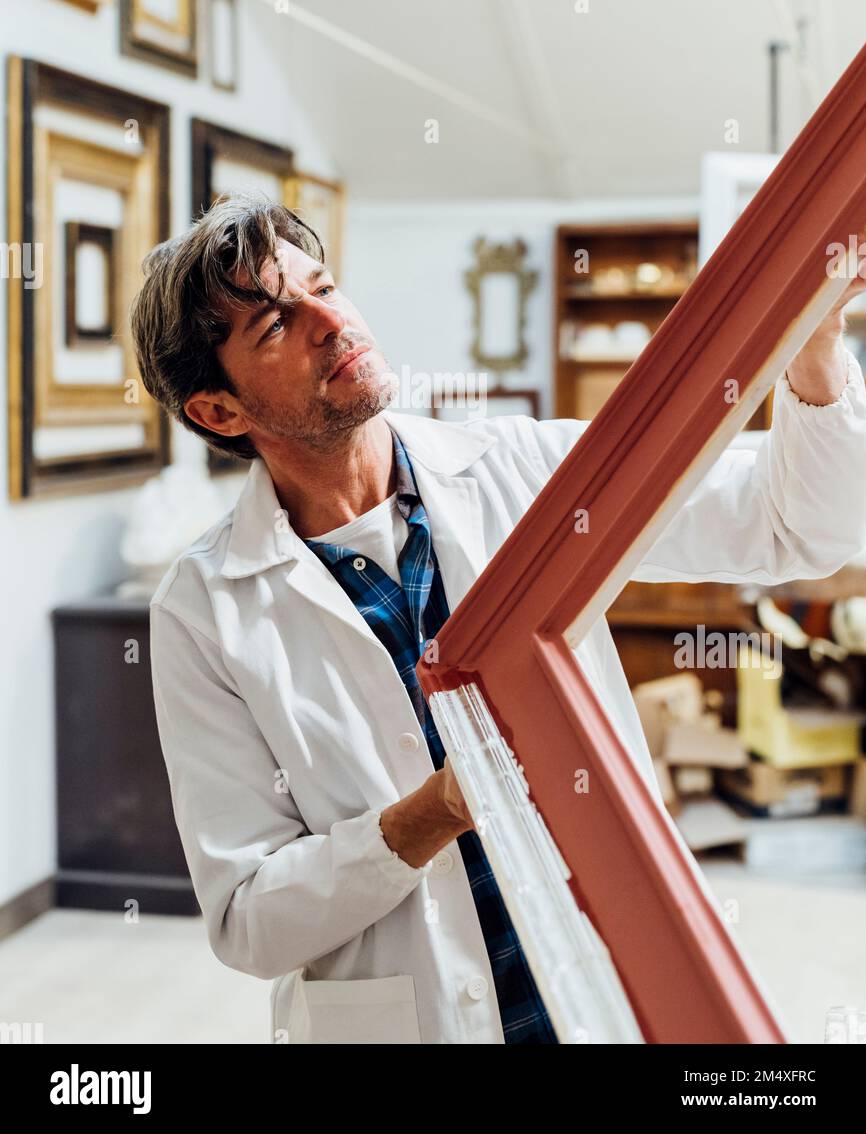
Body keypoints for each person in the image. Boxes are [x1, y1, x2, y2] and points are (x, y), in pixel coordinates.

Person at [130, 192, 866, 1045]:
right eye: (274, 327)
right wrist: (434, 811)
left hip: (601, 997)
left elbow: (800, 529)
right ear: (220, 412)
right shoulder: (203, 609)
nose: (329, 321)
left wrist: (815, 344)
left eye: (323, 285)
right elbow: (248, 918)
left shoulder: (523, 471)